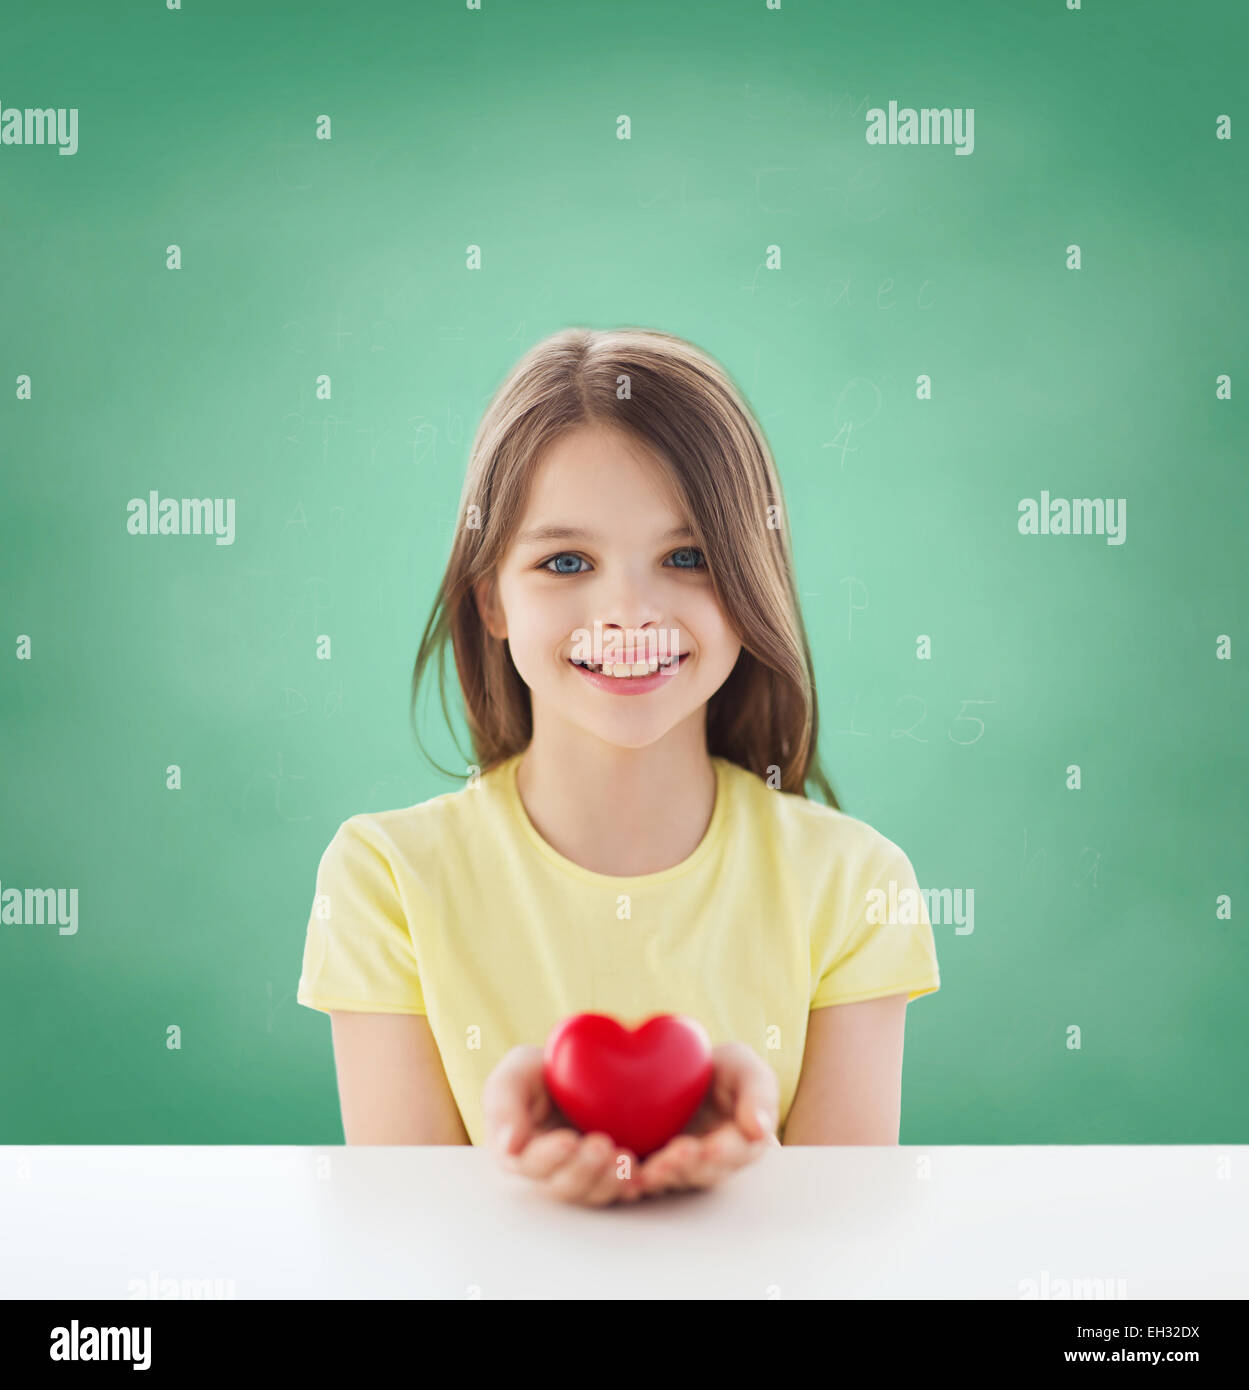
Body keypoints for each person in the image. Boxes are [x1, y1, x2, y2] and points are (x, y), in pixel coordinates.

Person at [297, 326, 941, 1206]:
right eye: (566, 561)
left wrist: (744, 1161)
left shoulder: (855, 880)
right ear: (490, 597)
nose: (628, 613)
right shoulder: (383, 881)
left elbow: (843, 1250)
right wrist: (517, 1158)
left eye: (688, 558)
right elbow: (405, 1248)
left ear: (754, 579)